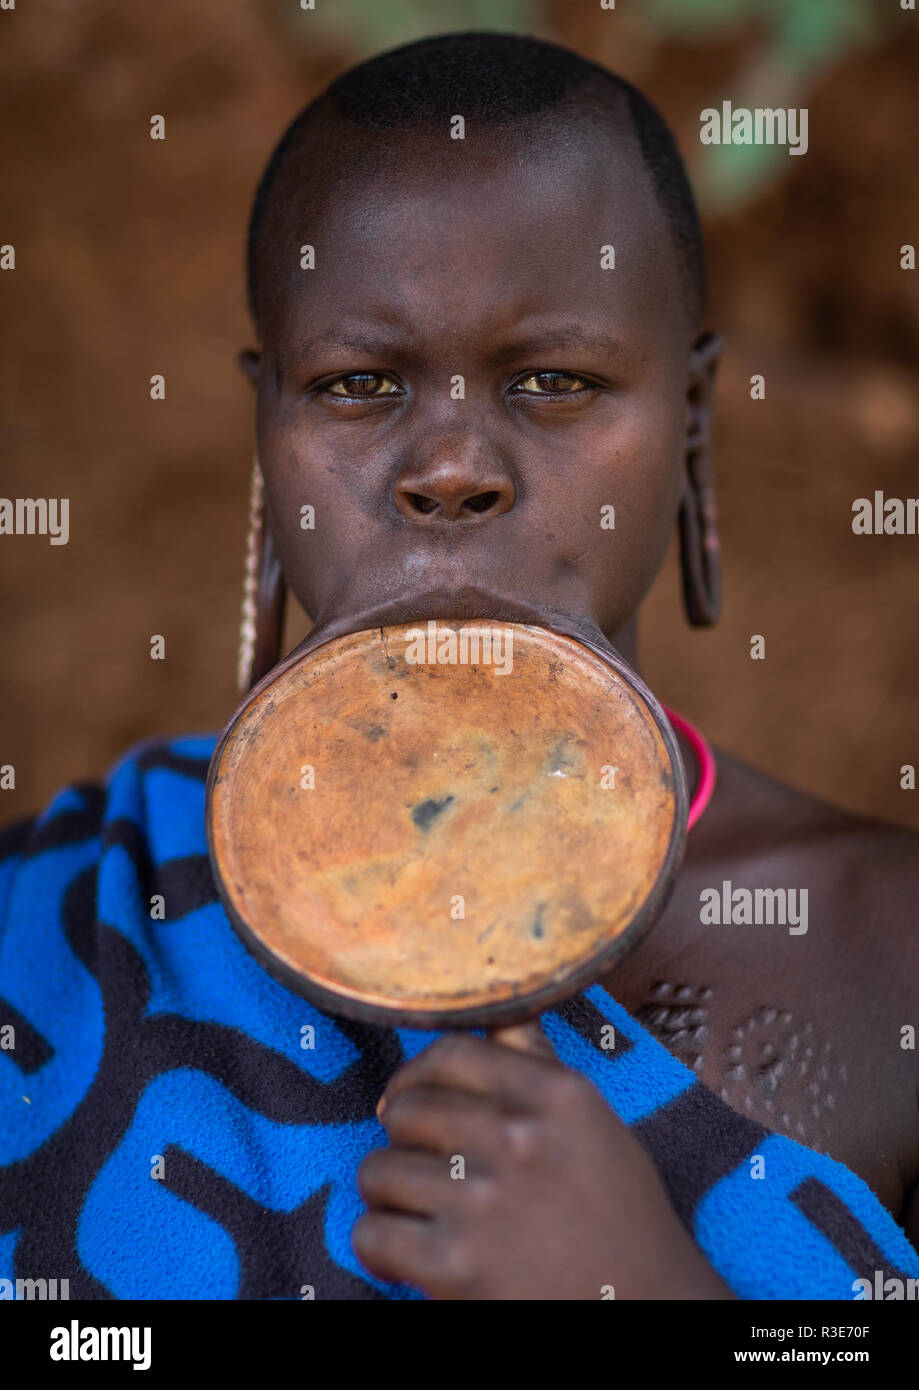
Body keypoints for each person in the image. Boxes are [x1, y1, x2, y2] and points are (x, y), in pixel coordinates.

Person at [1, 31, 917, 1302]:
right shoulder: (57, 924)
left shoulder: (891, 947)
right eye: (359, 384)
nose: (449, 467)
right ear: (267, 438)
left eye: (553, 379)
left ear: (690, 426)